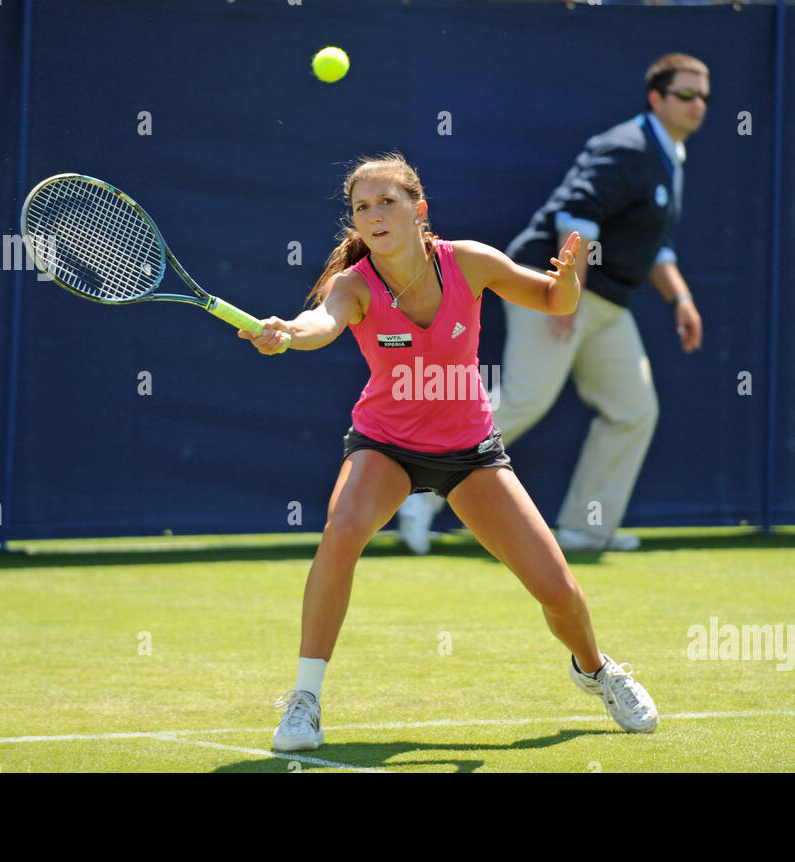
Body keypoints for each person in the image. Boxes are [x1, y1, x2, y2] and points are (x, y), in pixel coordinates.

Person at [240, 153, 659, 752]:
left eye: (388, 201)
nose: (376, 215)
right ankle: (304, 701)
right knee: (343, 531)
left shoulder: (470, 261)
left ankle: (596, 670)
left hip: (470, 453)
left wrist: (567, 281)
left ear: (419, 209)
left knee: (559, 591)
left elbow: (555, 302)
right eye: (363, 206)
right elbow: (321, 324)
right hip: (385, 445)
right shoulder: (354, 286)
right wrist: (287, 333)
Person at [398, 53, 707, 554]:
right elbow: (578, 216)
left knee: (633, 409)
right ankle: (419, 497)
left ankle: (587, 529)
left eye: (704, 97)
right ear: (657, 98)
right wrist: (565, 296)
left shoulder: (670, 157)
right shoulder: (626, 147)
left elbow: (655, 246)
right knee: (524, 398)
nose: (698, 105)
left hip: (608, 306)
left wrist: (682, 299)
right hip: (549, 289)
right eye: (686, 94)